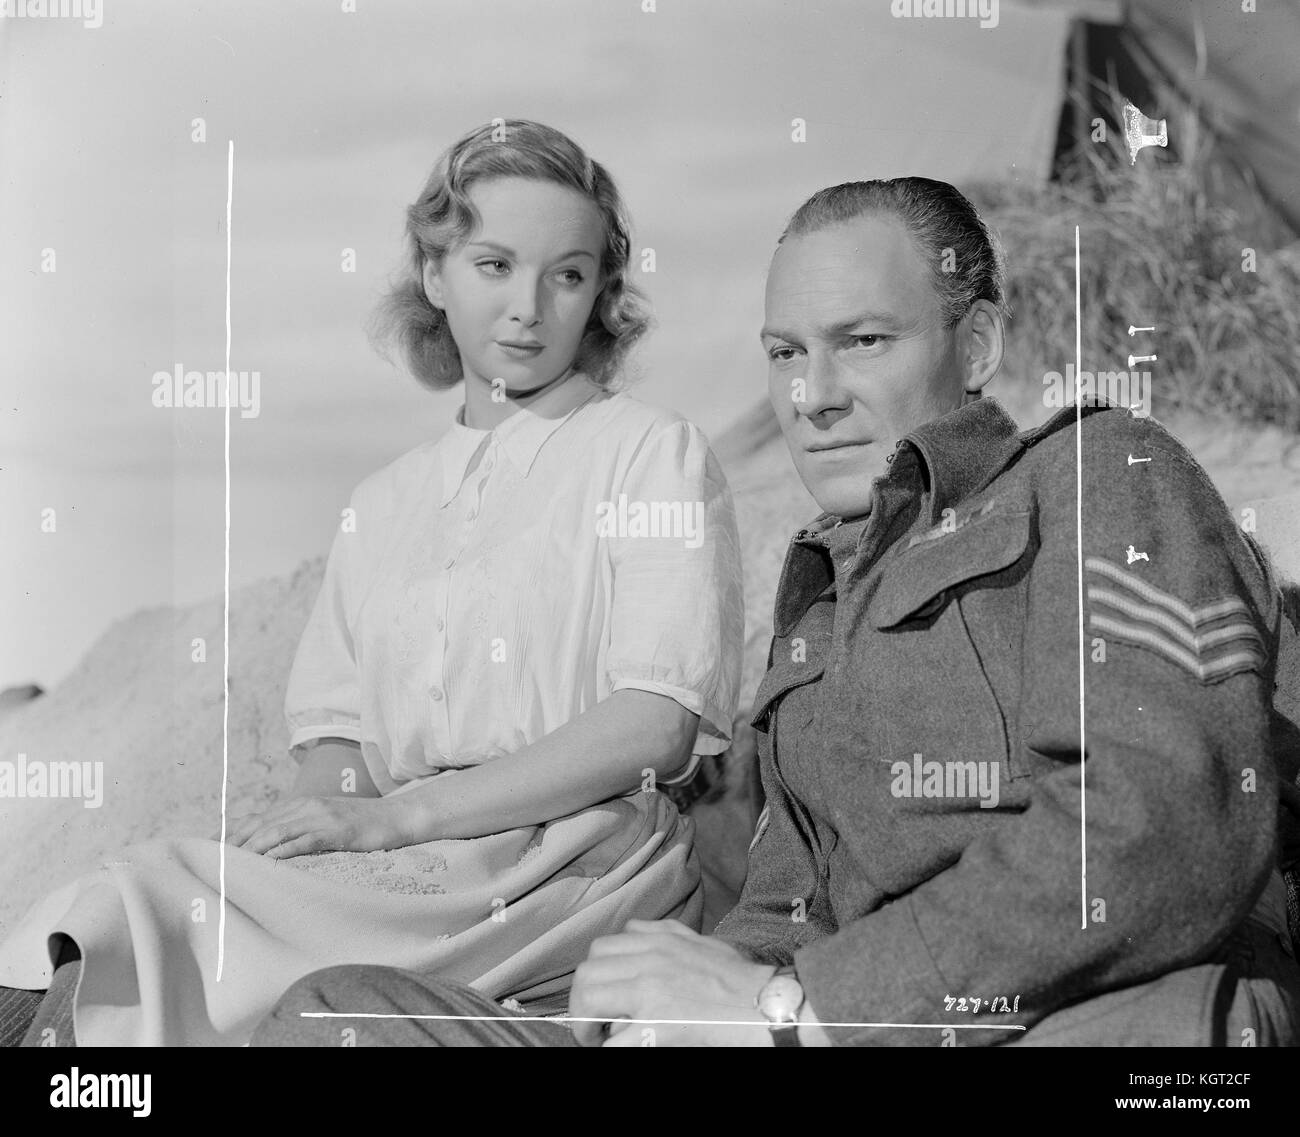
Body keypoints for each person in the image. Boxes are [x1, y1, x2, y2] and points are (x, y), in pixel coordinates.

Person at [251, 176, 1300, 1047]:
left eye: (864, 343)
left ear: (975, 347)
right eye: (787, 355)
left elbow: (1157, 832)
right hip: (814, 1027)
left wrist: (802, 1004)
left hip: (1069, 1022)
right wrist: (673, 1006)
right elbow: (777, 913)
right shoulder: (817, 607)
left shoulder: (1095, 479)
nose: (812, 397)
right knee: (335, 1017)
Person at [0, 120, 743, 1046]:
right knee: (125, 922)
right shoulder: (383, 501)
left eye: (568, 274)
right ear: (435, 274)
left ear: (599, 293)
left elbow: (656, 721)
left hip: (575, 863)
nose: (529, 308)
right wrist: (325, 830)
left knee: (146, 905)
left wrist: (398, 819)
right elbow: (340, 745)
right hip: (416, 863)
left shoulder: (648, 451)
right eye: (494, 265)